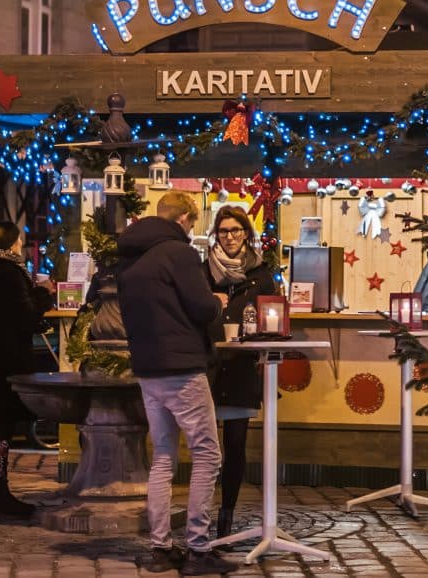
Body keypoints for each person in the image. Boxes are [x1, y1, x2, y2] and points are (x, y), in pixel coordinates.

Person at [118, 190, 236, 577]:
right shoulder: (179, 253)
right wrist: (218, 301)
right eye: (193, 221)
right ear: (184, 218)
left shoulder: (131, 258)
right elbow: (201, 308)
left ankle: (160, 547)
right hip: (182, 368)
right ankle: (199, 550)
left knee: (164, 455)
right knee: (207, 455)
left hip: (148, 369)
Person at [0, 220, 54, 522]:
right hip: (5, 361)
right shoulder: (7, 273)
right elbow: (25, 315)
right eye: (20, 239)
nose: (22, 243)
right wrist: (44, 294)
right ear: (11, 243)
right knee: (1, 428)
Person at [203, 205, 276, 537]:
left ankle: (226, 514)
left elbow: (274, 315)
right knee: (204, 444)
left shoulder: (261, 274)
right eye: (223, 231)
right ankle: (199, 512)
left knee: (235, 442)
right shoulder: (203, 272)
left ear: (246, 233)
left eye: (235, 230)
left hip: (242, 367)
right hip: (208, 364)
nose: (229, 237)